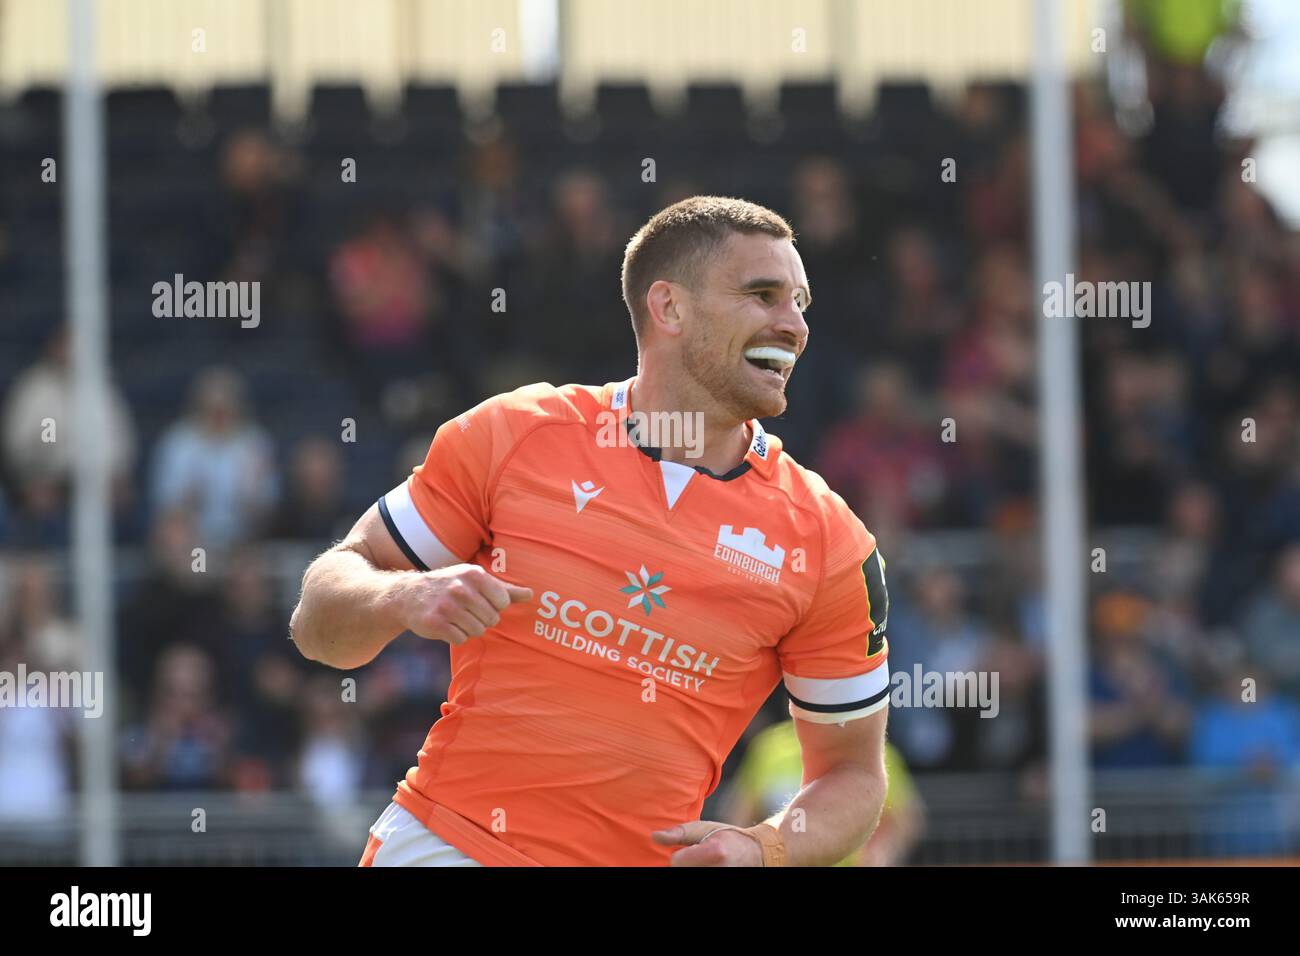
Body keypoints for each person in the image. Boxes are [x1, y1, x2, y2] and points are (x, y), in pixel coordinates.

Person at [290, 196, 892, 867]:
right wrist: (401, 599)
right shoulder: (514, 434)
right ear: (669, 308)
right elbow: (318, 623)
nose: (795, 325)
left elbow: (855, 775)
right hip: (450, 848)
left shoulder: (830, 541)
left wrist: (765, 847)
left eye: (800, 302)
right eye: (763, 295)